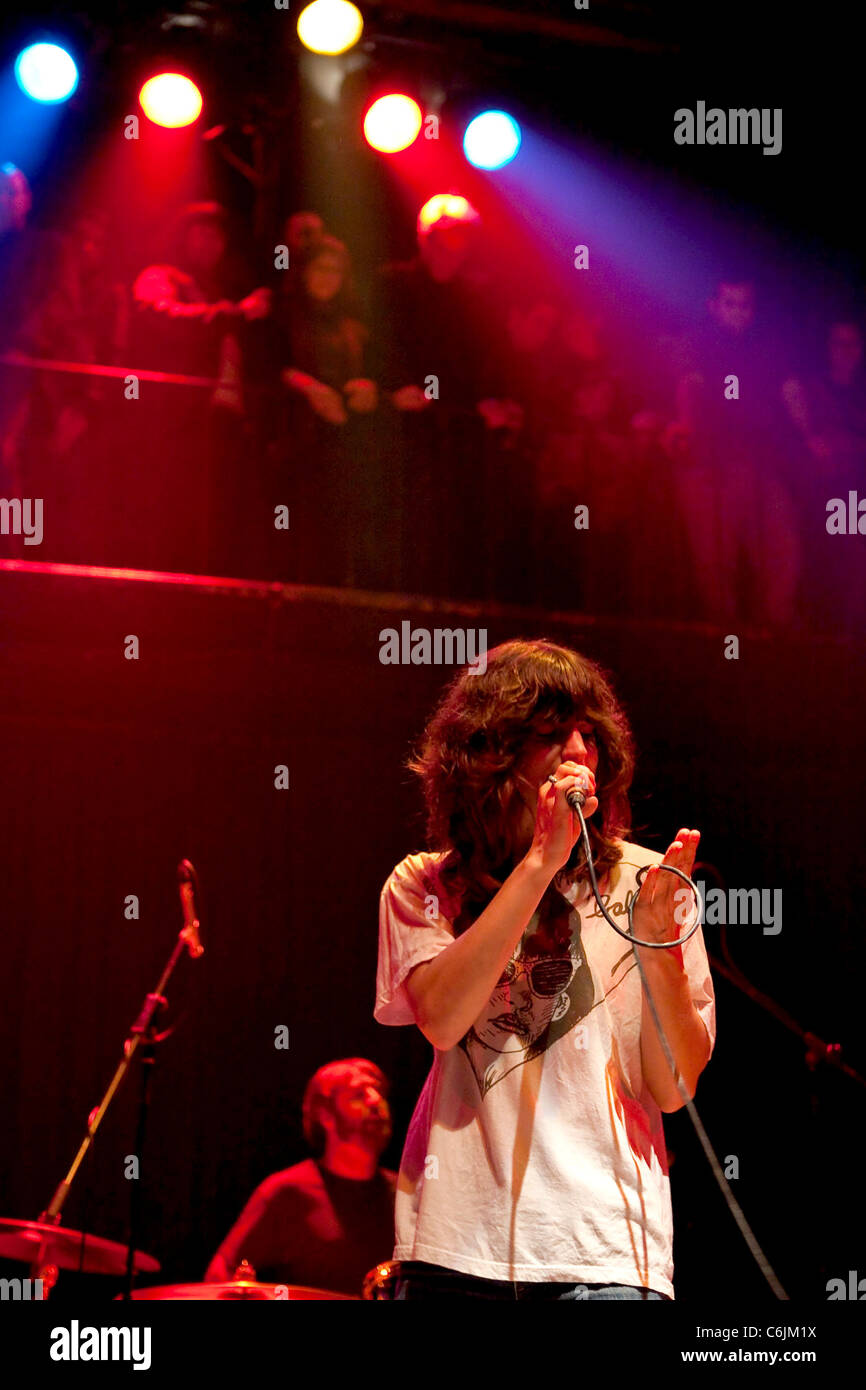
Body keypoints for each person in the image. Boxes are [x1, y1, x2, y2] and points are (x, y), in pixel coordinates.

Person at [375, 639, 715, 1300]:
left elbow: (673, 1087)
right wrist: (539, 863)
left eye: (588, 733)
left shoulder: (650, 882)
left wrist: (658, 945)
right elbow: (443, 1020)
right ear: (493, 754)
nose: (580, 751)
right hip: (456, 1248)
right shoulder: (424, 884)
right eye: (555, 733)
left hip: (607, 1256)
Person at [205, 1058, 396, 1297]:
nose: (376, 1101)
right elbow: (221, 1277)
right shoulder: (287, 1192)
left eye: (380, 1093)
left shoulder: (406, 1194)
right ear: (325, 1115)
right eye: (359, 1094)